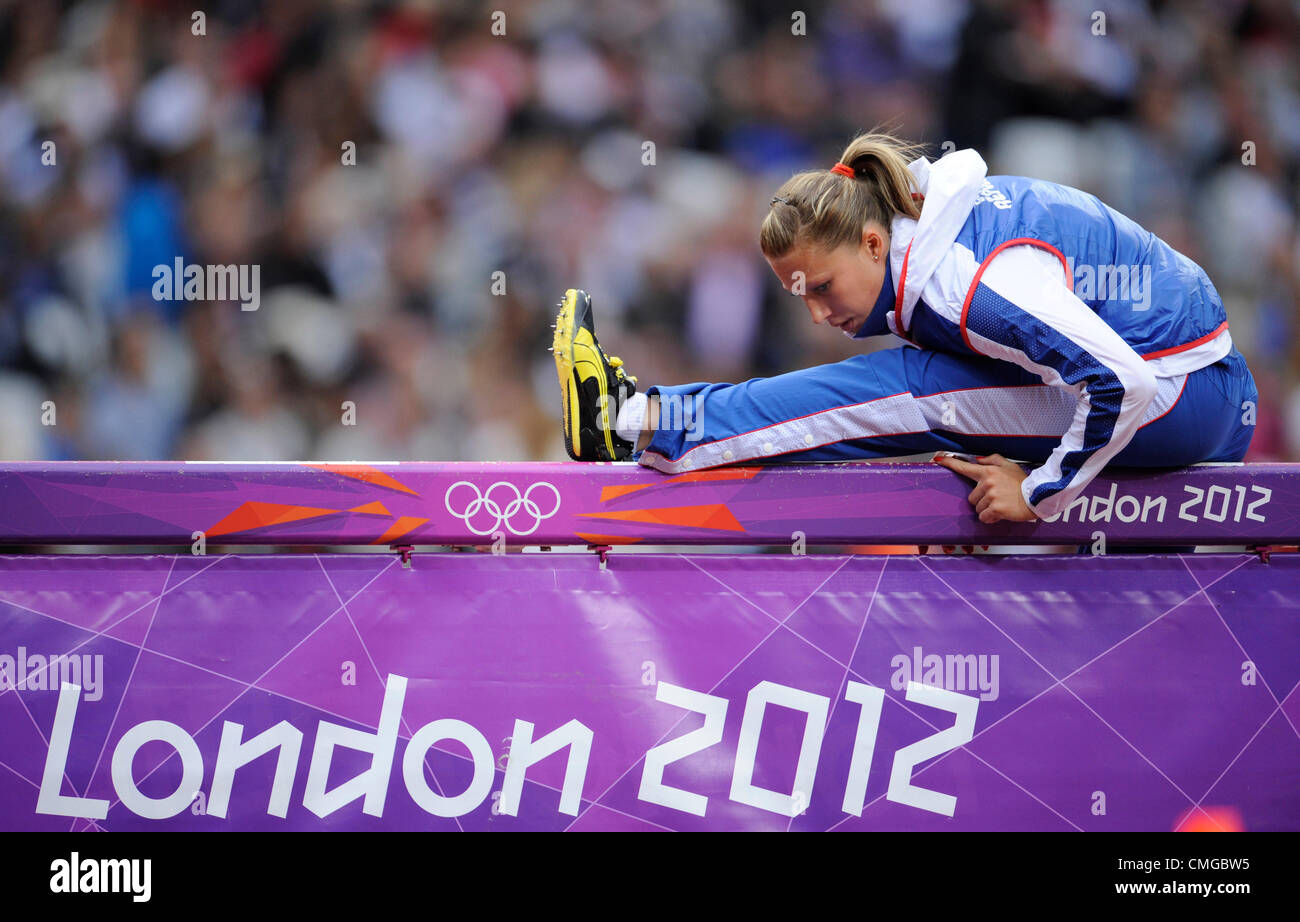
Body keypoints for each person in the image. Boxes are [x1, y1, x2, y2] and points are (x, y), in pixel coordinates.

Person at [551, 133, 1258, 524]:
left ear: (871, 243)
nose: (819, 314)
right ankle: (642, 416)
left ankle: (629, 422)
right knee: (912, 387)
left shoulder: (963, 279)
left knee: (910, 392)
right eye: (798, 295)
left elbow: (1122, 380)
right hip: (1210, 388)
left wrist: (1041, 493)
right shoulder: (932, 240)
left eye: (822, 287)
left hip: (1181, 392)